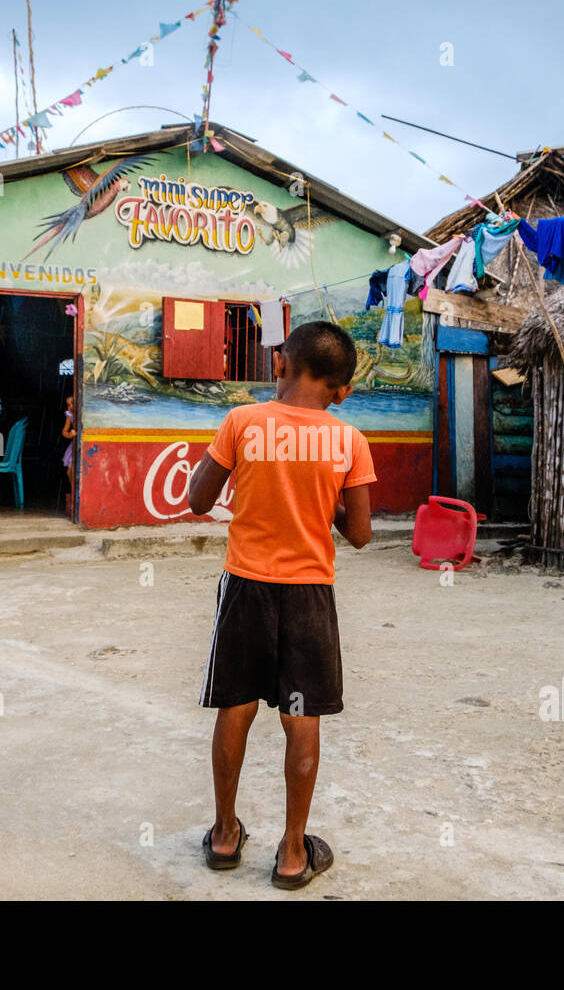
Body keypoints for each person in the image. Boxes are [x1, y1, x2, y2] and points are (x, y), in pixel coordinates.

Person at [186, 320, 376, 890]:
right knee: (302, 719)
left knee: (236, 709)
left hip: (247, 586)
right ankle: (293, 854)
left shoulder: (242, 421)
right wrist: (323, 500)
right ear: (342, 390)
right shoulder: (349, 441)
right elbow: (362, 534)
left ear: (279, 365)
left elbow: (198, 500)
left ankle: (224, 835)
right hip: (310, 593)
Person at [61, 395, 77, 515]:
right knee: (69, 472)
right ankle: (73, 494)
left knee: (72, 472)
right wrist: (70, 434)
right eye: (68, 404)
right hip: (73, 446)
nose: (70, 407)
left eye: (71, 403)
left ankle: (75, 495)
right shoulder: (70, 416)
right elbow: (64, 432)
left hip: (79, 447)